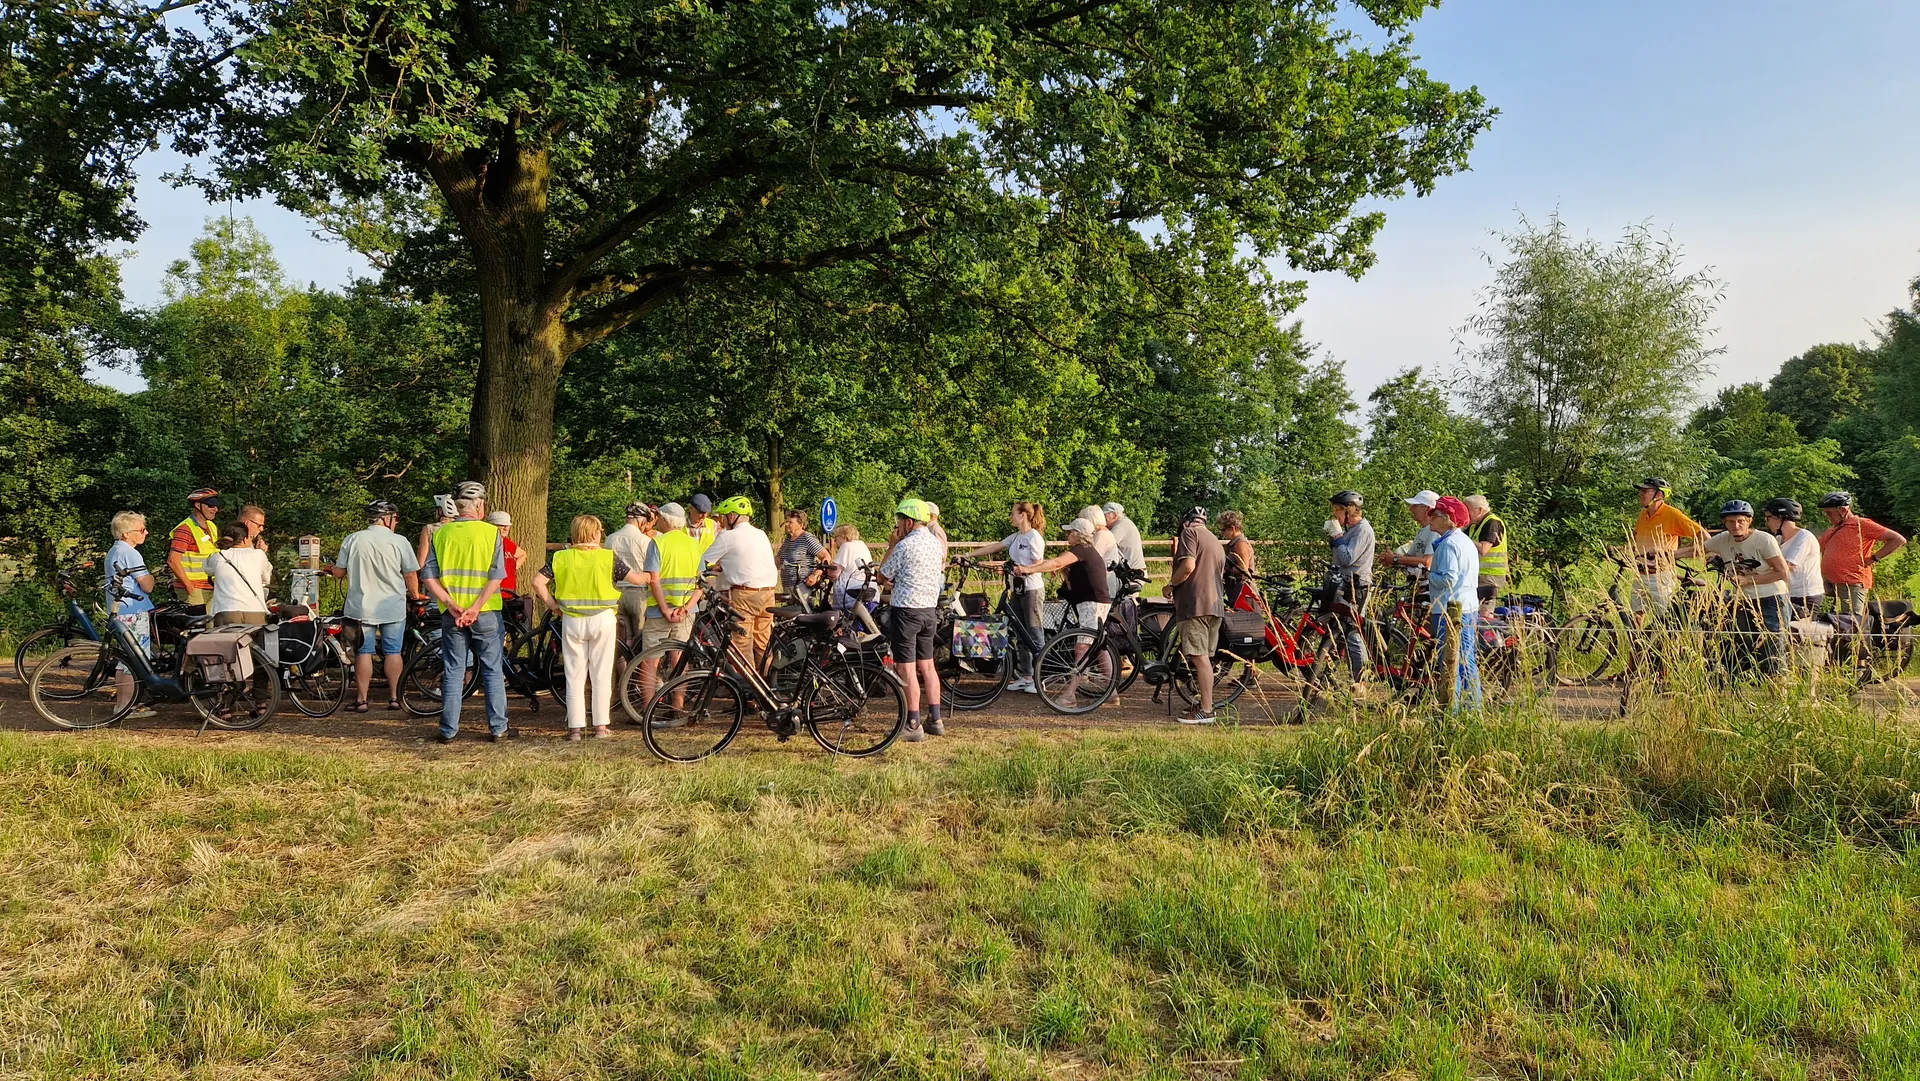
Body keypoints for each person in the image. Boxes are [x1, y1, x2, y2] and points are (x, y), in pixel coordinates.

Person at [533, 515, 651, 740]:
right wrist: (651, 574)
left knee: (574, 674)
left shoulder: (561, 557)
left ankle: (575, 728)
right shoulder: (608, 558)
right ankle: (600, 726)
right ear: (595, 534)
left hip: (572, 619)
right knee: (601, 674)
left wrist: (553, 605)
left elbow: (538, 582)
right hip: (602, 619)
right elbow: (636, 579)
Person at [420, 481, 514, 743]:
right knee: (492, 669)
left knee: (453, 669)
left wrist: (451, 603)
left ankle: (448, 730)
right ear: (480, 506)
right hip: (485, 613)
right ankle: (498, 728)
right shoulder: (490, 534)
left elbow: (428, 576)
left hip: (453, 613)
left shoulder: (440, 534)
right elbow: (496, 577)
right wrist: (475, 607)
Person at [326, 499, 422, 712]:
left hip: (361, 607)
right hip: (392, 606)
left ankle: (362, 700)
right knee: (393, 651)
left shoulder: (352, 539)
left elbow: (339, 572)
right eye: (395, 518)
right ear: (386, 519)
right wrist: (415, 594)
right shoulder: (400, 541)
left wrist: (331, 569)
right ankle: (395, 698)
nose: (396, 522)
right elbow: (409, 573)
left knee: (364, 651)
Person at [1014, 517, 1112, 708]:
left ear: (1078, 534)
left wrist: (1027, 569)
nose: (1068, 535)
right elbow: (1062, 565)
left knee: (1082, 648)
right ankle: (1112, 692)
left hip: (1092, 603)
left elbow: (1056, 562)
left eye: (1070, 532)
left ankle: (1069, 695)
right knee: (1098, 646)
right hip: (1092, 602)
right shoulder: (1084, 552)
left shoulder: (1081, 550)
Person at [876, 498, 945, 741]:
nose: (898, 528)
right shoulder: (936, 544)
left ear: (908, 521)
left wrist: (892, 545)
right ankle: (935, 719)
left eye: (899, 523)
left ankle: (912, 724)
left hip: (906, 611)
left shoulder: (904, 546)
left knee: (906, 670)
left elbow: (882, 575)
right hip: (929, 610)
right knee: (927, 666)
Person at [967, 501, 1047, 693]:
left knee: (1034, 633)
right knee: (1020, 633)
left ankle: (1040, 678)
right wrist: (969, 555)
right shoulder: (1017, 536)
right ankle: (1027, 675)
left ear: (1023, 515)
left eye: (1013, 513)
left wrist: (1025, 570)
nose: (1011, 517)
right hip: (1017, 589)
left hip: (1031, 590)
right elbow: (995, 547)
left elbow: (1039, 563)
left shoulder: (1034, 537)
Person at [1705, 499, 1792, 676]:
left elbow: (1782, 573)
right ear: (1724, 523)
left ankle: (1780, 693)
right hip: (1744, 600)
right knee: (1748, 643)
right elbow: (1696, 549)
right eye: (1730, 521)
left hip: (1771, 598)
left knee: (1773, 646)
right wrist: (1664, 554)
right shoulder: (1723, 540)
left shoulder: (1764, 540)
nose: (1736, 525)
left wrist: (1747, 581)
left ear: (1749, 521)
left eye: (1740, 521)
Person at [699, 496, 780, 672]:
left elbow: (703, 561)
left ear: (733, 516)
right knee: (763, 644)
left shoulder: (728, 536)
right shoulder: (760, 534)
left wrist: (712, 568)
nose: (722, 520)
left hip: (745, 595)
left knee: (741, 644)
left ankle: (748, 689)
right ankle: (768, 687)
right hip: (768, 594)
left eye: (724, 516)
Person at [1165, 506, 1226, 724]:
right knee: (1205, 660)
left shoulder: (1189, 533)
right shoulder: (1215, 540)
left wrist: (1171, 585)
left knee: (1199, 660)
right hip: (1215, 606)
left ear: (1186, 522)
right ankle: (1204, 705)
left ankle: (1207, 711)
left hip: (1195, 606)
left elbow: (1188, 566)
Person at [636, 504, 697, 718]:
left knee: (650, 660)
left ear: (665, 519)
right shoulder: (693, 544)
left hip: (658, 611)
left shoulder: (657, 543)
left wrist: (664, 608)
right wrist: (687, 607)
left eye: (659, 517)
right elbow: (701, 583)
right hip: (686, 611)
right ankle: (677, 708)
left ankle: (647, 710)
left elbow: (654, 579)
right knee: (679, 659)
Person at [1425, 496, 1482, 711]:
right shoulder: (1463, 541)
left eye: (1435, 515)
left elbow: (1449, 579)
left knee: (1452, 663)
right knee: (1465, 660)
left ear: (1449, 519)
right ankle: (1471, 709)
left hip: (1450, 610)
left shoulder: (1449, 545)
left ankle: (1454, 711)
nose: (1430, 519)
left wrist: (1428, 576)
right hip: (1466, 606)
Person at [1817, 491, 1907, 620]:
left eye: (1829, 512)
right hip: (1830, 580)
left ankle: (1859, 638)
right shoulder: (1833, 529)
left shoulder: (1862, 525)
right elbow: (1817, 547)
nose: (1827, 516)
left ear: (1842, 510)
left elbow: (1898, 539)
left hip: (1852, 581)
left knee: (1852, 620)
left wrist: (1874, 558)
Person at [105, 512, 159, 718]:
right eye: (141, 529)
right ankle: (125, 707)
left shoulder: (115, 550)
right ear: (127, 533)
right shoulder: (130, 553)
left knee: (124, 660)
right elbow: (147, 585)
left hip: (120, 609)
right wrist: (152, 577)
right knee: (135, 658)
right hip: (133, 611)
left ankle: (122, 704)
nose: (146, 532)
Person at [1630, 478, 1707, 615]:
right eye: (1641, 491)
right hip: (1640, 572)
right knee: (1637, 612)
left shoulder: (1672, 514)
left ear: (1659, 495)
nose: (1641, 494)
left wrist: (1677, 553)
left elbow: (1704, 536)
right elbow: (1636, 538)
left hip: (1660, 576)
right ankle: (1637, 637)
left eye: (1646, 491)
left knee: (1665, 619)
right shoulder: (1643, 513)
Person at [1324, 490, 1375, 686]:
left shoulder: (1363, 530)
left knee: (1353, 631)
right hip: (1345, 583)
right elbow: (1338, 560)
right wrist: (1336, 542)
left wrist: (1337, 537)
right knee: (1339, 627)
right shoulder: (1351, 530)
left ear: (1349, 510)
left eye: (1337, 509)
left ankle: (1360, 681)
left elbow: (1347, 558)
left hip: (1358, 586)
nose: (1334, 514)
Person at [204, 520, 274, 627]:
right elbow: (266, 579)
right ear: (246, 539)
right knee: (255, 643)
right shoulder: (258, 555)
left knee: (226, 643)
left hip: (225, 611)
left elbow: (207, 569)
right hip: (255, 610)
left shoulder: (218, 557)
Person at [1764, 498, 1824, 619]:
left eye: (1768, 517)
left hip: (1806, 595)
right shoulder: (1779, 539)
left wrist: (1754, 578)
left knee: (1799, 633)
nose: (1767, 522)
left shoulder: (1804, 537)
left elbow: (1786, 566)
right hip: (1787, 592)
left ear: (1779, 517)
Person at [607, 502, 658, 645]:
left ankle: (621, 667)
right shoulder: (645, 541)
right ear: (641, 520)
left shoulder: (611, 538)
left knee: (621, 639)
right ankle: (638, 667)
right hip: (639, 593)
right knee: (641, 638)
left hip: (616, 592)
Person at [167, 487, 223, 606]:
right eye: (211, 506)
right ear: (198, 505)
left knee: (213, 624)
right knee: (198, 624)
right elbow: (172, 560)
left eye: (216, 506)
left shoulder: (211, 526)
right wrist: (190, 587)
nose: (215, 509)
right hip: (194, 590)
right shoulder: (185, 529)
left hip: (211, 587)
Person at [487, 510, 531, 626]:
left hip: (509, 594)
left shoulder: (507, 543)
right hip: (493, 594)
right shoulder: (487, 544)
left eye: (507, 525)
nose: (505, 528)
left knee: (506, 626)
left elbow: (522, 554)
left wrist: (512, 568)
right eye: (501, 525)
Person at [1462, 494, 1508, 605]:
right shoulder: (1473, 525)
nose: (1465, 513)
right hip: (1478, 574)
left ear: (1479, 510)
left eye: (1468, 510)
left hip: (1490, 575)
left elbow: (1483, 549)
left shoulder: (1492, 523)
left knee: (1485, 613)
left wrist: (1462, 537)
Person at [1385, 491, 1439, 578]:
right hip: (1420, 586)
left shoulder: (1435, 532)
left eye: (1415, 506)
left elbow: (1427, 562)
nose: (1410, 509)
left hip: (1429, 587)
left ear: (1427, 509)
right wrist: (1391, 558)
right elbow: (1409, 557)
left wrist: (1395, 559)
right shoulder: (1423, 531)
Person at [777, 509, 826, 601]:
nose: (787, 524)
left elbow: (826, 557)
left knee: (802, 613)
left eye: (790, 522)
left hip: (802, 586)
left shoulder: (807, 538)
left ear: (801, 524)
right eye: (786, 521)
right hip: (788, 585)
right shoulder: (788, 540)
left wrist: (815, 575)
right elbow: (778, 559)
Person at [828, 523, 874, 612]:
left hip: (850, 597)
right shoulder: (862, 545)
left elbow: (833, 572)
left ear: (844, 537)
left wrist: (829, 571)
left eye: (836, 537)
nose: (834, 541)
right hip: (868, 592)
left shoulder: (846, 546)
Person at [1218, 510, 1255, 600]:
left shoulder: (1240, 544)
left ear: (1233, 528)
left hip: (1242, 589)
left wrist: (1225, 569)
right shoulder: (1234, 543)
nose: (1222, 533)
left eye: (1223, 530)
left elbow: (1243, 568)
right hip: (1236, 588)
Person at [1103, 502, 1147, 577]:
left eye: (1105, 515)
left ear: (1114, 515)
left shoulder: (1121, 525)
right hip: (1132, 571)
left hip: (1132, 573)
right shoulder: (1124, 523)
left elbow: (1106, 544)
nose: (1103, 519)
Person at [416, 494, 455, 570]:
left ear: (441, 510)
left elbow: (421, 563)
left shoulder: (429, 529)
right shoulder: (464, 528)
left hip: (433, 576)